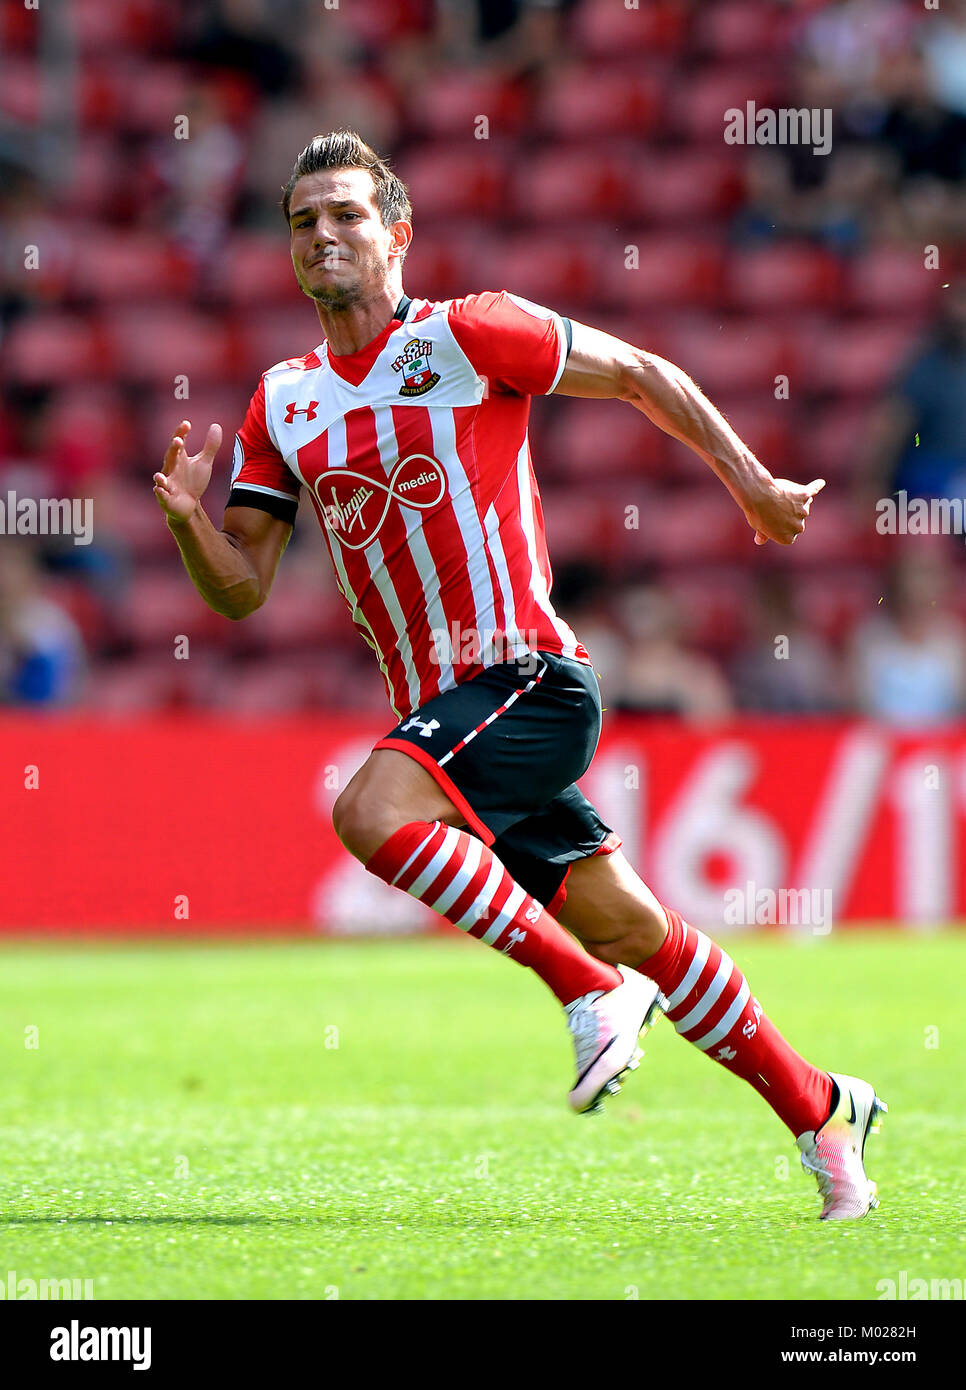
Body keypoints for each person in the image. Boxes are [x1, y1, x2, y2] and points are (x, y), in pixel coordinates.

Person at [154, 130, 885, 1219]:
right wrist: (185, 525)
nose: (324, 236)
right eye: (304, 221)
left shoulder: (469, 332)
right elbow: (241, 590)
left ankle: (590, 994)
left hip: (530, 679)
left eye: (348, 214)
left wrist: (751, 484)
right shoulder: (283, 403)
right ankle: (823, 1108)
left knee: (368, 812)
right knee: (642, 928)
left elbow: (640, 374)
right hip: (454, 720)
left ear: (398, 234)